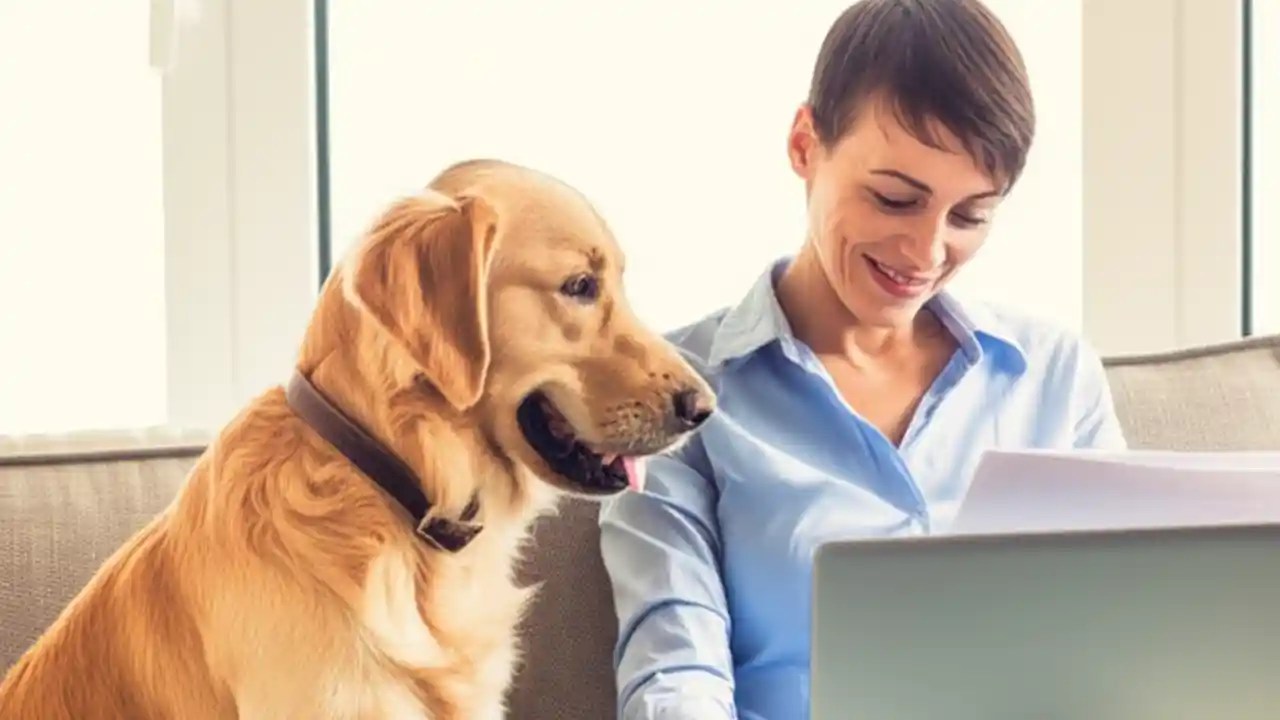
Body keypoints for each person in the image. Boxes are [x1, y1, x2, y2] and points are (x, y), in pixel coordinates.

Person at [597, 0, 1127, 718]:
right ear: (805, 145)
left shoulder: (1054, 379)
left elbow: (1122, 644)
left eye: (970, 215)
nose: (928, 252)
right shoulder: (681, 400)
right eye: (894, 198)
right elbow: (675, 670)